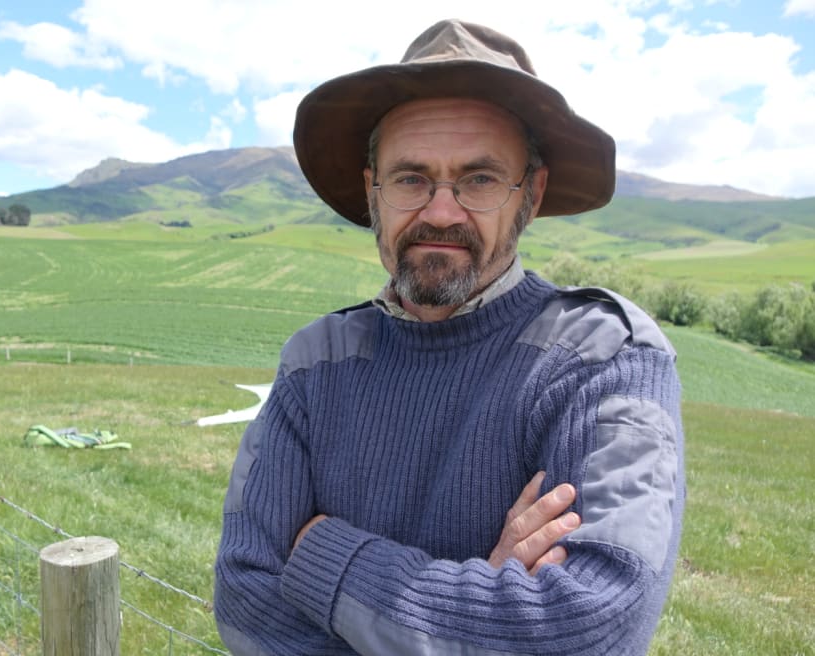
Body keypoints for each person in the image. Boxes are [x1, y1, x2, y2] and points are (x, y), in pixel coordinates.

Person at [214, 19, 684, 656]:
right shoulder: (315, 363)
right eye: (410, 178)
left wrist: (324, 555)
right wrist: (480, 607)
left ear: (531, 194)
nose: (440, 210)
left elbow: (590, 627)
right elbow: (247, 605)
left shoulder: (600, 356)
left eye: (480, 179)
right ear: (372, 191)